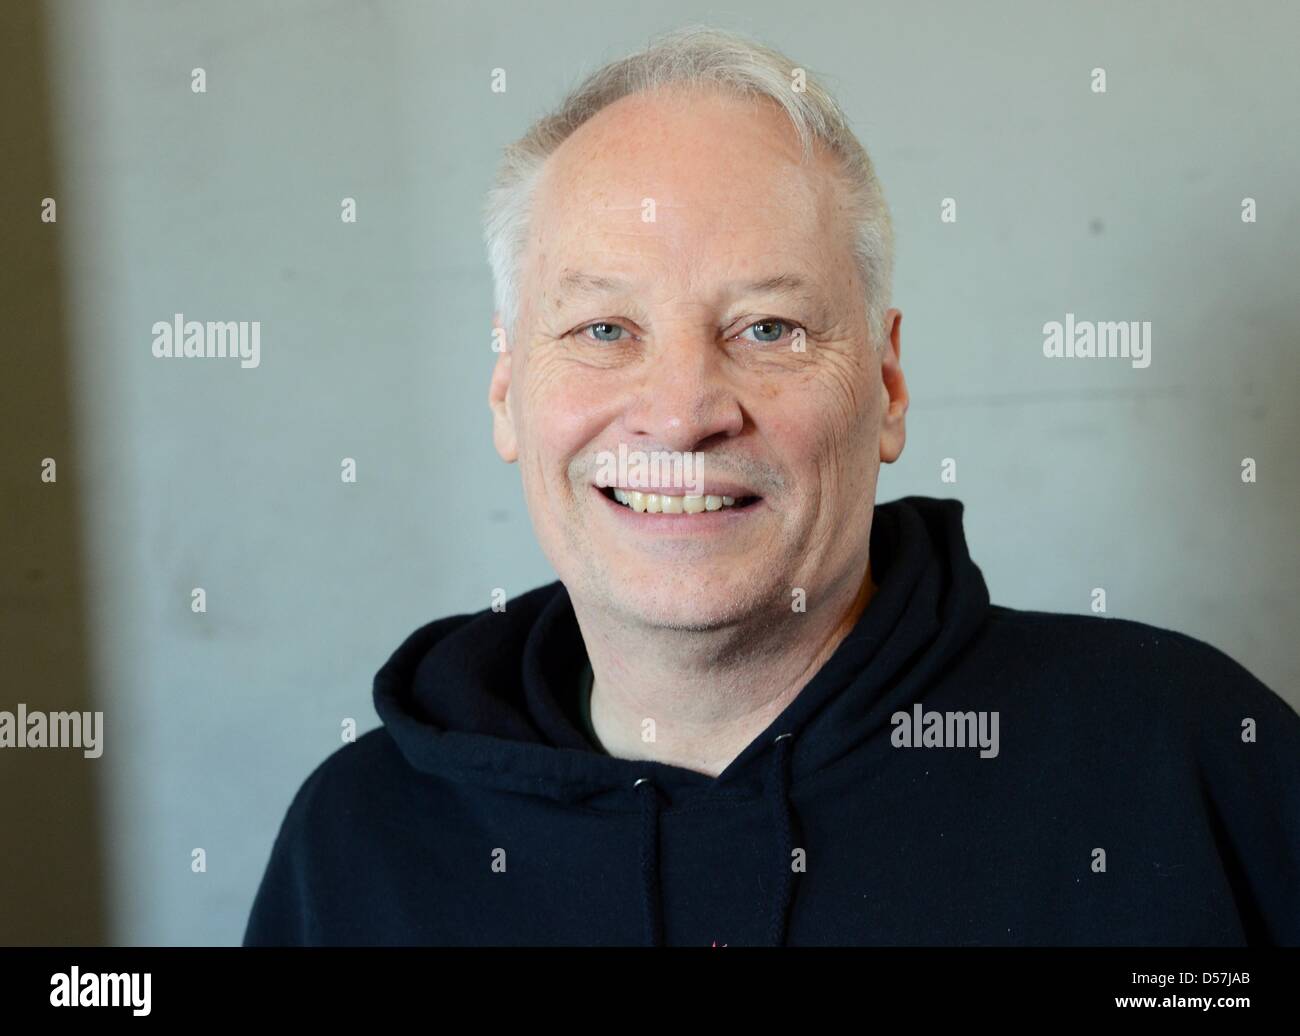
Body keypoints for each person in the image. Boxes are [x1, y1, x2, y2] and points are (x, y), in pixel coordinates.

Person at [244, 25, 1300, 946]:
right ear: (507, 390)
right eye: (603, 329)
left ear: (885, 386)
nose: (682, 410)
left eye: (767, 328)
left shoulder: (1191, 760)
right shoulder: (360, 837)